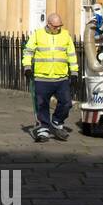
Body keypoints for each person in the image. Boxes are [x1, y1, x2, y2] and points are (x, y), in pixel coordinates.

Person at [22, 13, 80, 143]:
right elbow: (28, 51)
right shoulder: (38, 34)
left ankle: (57, 121)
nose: (58, 28)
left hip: (61, 77)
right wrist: (27, 67)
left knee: (66, 103)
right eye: (55, 26)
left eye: (60, 26)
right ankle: (43, 129)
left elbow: (71, 54)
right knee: (42, 104)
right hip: (42, 77)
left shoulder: (65, 35)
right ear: (48, 24)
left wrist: (74, 72)